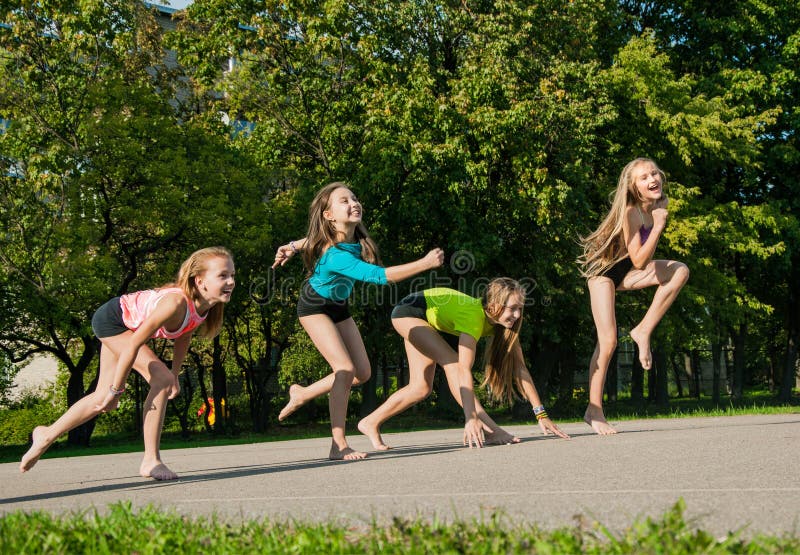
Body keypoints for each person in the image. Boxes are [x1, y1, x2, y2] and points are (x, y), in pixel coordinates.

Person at [20, 247, 236, 480]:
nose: (231, 281)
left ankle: (46, 434)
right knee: (153, 381)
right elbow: (133, 345)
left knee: (101, 397)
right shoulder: (174, 302)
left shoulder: (204, 306)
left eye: (233, 275)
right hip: (111, 322)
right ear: (200, 281)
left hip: (123, 326)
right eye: (223, 276)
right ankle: (151, 461)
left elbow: (184, 333)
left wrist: (175, 373)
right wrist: (118, 390)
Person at [272, 182, 444, 460]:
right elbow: (380, 276)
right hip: (314, 307)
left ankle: (303, 394)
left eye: (354, 197)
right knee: (344, 369)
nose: (353, 202)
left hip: (338, 306)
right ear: (329, 215)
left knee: (362, 373)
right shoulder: (336, 254)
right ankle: (338, 444)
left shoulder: (344, 240)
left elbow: (311, 240)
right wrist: (424, 263)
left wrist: (292, 246)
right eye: (344, 201)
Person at [357, 278, 569, 450]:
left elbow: (520, 369)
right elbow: (463, 370)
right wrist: (471, 417)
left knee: (420, 388)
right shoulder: (474, 317)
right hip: (409, 311)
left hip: (422, 316)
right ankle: (492, 430)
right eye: (512, 308)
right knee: (452, 362)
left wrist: (541, 414)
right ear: (494, 306)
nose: (517, 315)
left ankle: (370, 422)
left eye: (520, 309)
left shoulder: (503, 326)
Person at [578, 158, 689, 435]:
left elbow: (638, 262)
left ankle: (642, 330)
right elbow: (640, 260)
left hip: (626, 273)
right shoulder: (631, 212)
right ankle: (594, 409)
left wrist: (658, 219)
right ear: (632, 186)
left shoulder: (657, 205)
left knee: (680, 271)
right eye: (643, 177)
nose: (652, 179)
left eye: (654, 173)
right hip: (603, 273)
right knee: (608, 341)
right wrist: (659, 226)